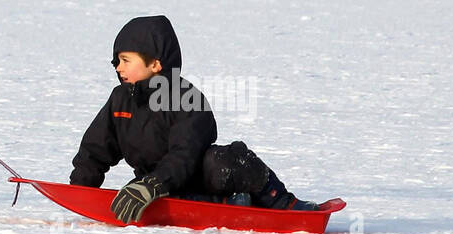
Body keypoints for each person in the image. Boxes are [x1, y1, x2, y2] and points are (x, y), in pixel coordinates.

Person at [69, 14, 320, 222]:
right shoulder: (120, 99)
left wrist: (154, 184)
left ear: (155, 64)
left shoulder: (186, 98)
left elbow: (184, 154)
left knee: (227, 160)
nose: (118, 67)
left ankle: (282, 202)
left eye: (125, 60)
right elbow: (96, 147)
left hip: (200, 177)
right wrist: (80, 190)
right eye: (116, 61)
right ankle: (229, 204)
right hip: (161, 185)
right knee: (138, 193)